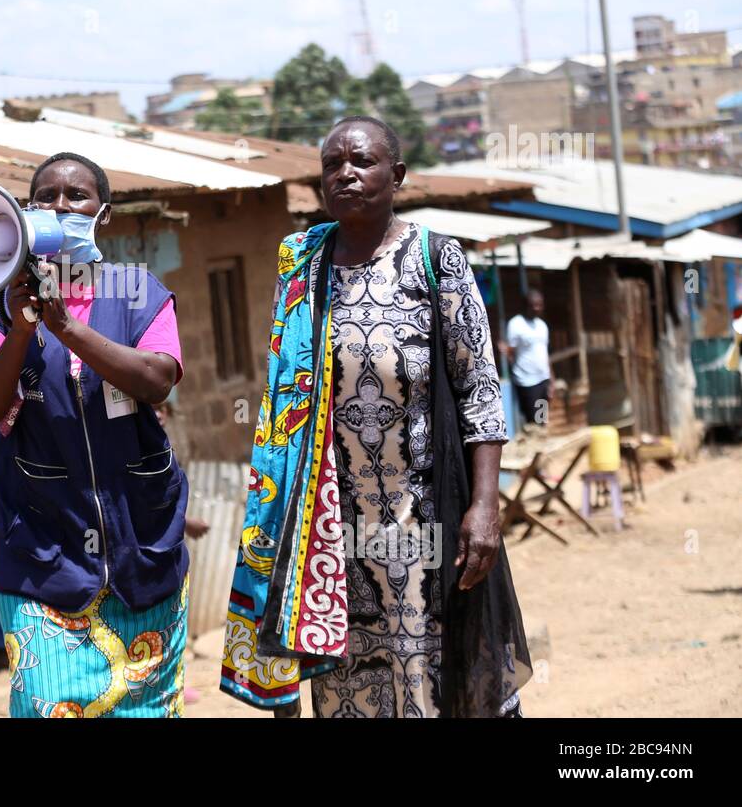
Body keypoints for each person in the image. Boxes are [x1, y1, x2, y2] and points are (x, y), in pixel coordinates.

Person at [219, 116, 532, 718]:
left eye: (360, 161)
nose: (345, 174)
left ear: (398, 175)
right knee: (350, 680)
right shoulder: (301, 263)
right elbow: (286, 399)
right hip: (331, 529)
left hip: (426, 512)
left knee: (441, 670)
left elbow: (479, 389)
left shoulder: (435, 260)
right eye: (332, 164)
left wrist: (485, 505)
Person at [0, 151, 189, 718]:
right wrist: (22, 329)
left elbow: (157, 380)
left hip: (140, 546)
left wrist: (66, 327)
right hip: (43, 553)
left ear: (102, 214)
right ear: (25, 212)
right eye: (45, 197)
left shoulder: (137, 290)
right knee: (50, 704)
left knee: (147, 709)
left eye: (77, 196)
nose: (61, 206)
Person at [505, 290, 552, 431]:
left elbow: (545, 354)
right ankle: (535, 450)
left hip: (543, 379)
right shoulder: (516, 324)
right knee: (533, 423)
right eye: (533, 305)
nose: (537, 308)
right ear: (526, 305)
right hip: (527, 381)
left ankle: (542, 449)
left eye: (539, 305)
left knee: (542, 420)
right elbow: (510, 352)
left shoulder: (542, 325)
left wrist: (551, 380)